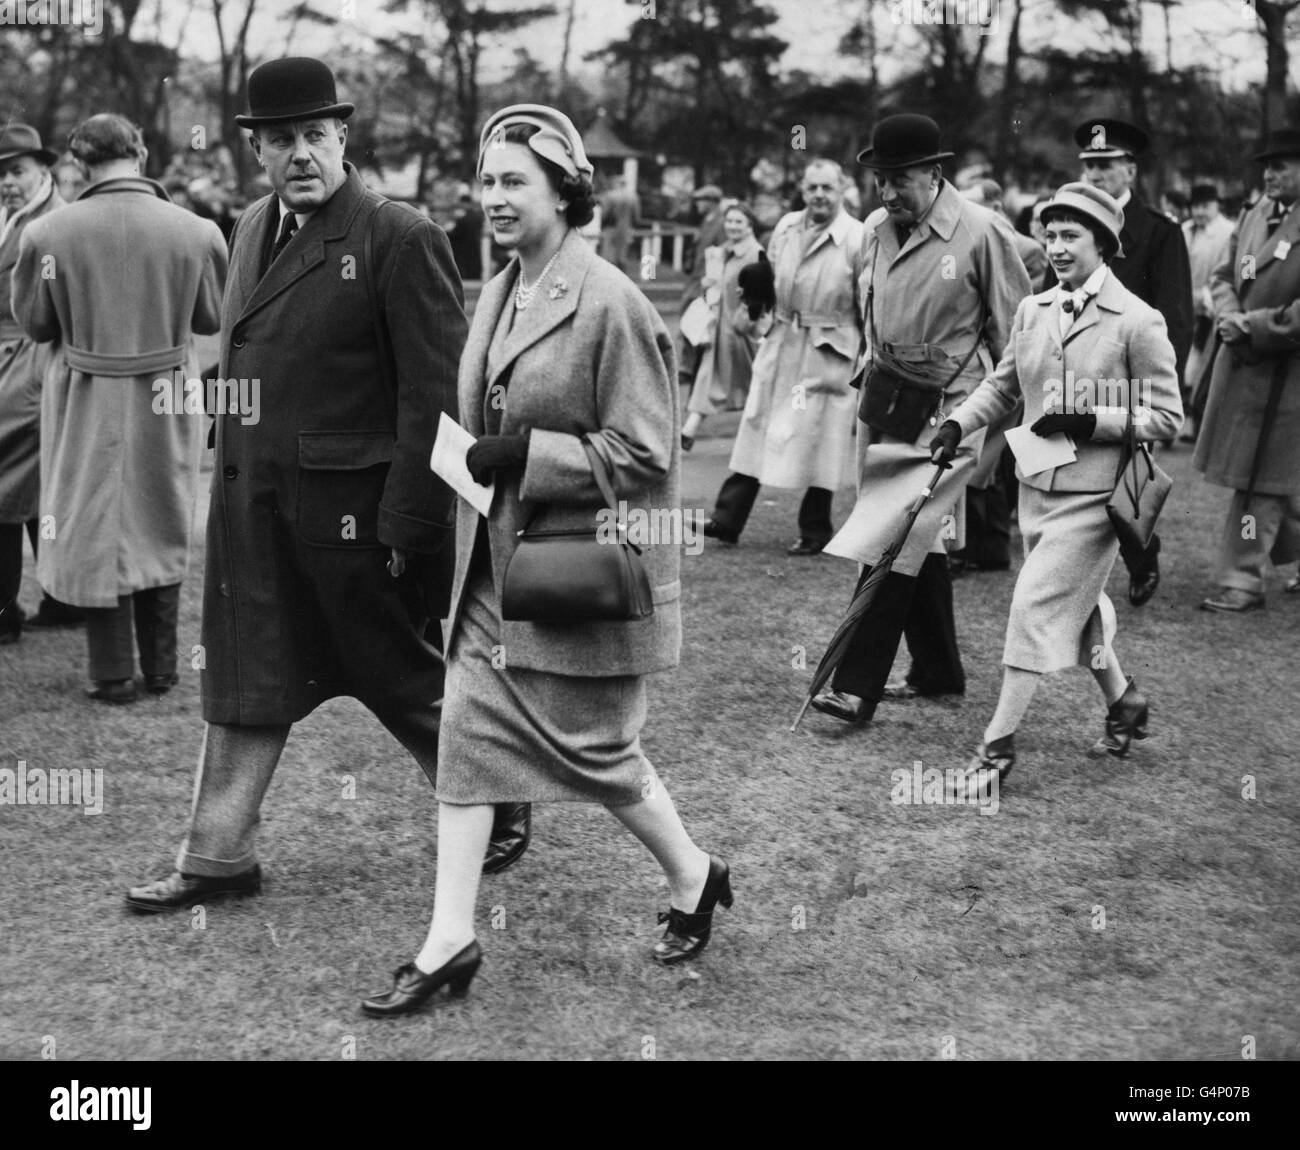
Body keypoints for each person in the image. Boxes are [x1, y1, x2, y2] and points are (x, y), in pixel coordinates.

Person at [123, 57, 522, 914]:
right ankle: (218, 857)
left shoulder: (398, 235)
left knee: (404, 678)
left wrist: (411, 526)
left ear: (343, 137)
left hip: (357, 526)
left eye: (314, 135)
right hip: (254, 514)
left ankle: (498, 795)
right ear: (256, 150)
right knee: (245, 679)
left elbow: (437, 398)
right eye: (280, 140)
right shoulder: (249, 225)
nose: (299, 153)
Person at [360, 105, 730, 1017]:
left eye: (513, 181)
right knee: (466, 738)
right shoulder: (499, 288)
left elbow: (644, 452)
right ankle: (450, 939)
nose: (493, 198)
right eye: (485, 181)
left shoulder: (611, 301)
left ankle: (693, 872)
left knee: (599, 752)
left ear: (566, 191)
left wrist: (527, 453)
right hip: (496, 570)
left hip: (578, 572)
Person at [932, 183, 1183, 786]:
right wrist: (957, 423)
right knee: (1078, 608)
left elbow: (1168, 417)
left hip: (1098, 498)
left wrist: (1093, 420)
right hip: (1036, 488)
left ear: (1104, 243)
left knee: (1032, 606)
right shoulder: (1032, 309)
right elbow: (1003, 386)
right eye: (1050, 235)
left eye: (1071, 236)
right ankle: (1124, 702)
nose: (1057, 247)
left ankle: (996, 750)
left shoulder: (1138, 322)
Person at [810, 115, 1029, 725]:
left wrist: (996, 420)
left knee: (893, 534)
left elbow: (1016, 337)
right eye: (879, 180)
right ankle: (938, 670)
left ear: (935, 174)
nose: (885, 194)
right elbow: (871, 318)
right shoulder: (876, 230)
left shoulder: (983, 233)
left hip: (952, 409)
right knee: (913, 534)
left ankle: (855, 685)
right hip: (886, 400)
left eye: (898, 181)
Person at [12, 115, 226, 699]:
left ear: (78, 164)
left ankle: (111, 674)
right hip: (167, 392)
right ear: (142, 152)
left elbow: (35, 323)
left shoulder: (47, 234)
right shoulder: (198, 230)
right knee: (163, 515)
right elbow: (210, 319)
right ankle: (161, 668)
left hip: (86, 394)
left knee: (96, 525)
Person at [1047, 118, 1192, 607]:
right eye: (1089, 165)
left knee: (1125, 477)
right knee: (1074, 472)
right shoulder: (1074, 224)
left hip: (1130, 374)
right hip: (1077, 370)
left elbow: (1174, 314)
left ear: (1130, 169)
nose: (1095, 175)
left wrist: (1159, 385)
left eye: (1106, 165)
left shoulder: (1159, 231)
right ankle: (1078, 566)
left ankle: (1141, 553)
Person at [701, 159, 862, 554]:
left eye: (827, 187)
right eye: (812, 188)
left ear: (842, 189)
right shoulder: (787, 227)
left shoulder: (857, 238)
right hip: (782, 338)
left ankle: (815, 529)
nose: (819, 196)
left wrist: (865, 355)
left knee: (821, 437)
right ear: (802, 190)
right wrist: (757, 308)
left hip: (828, 346)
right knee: (756, 425)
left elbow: (867, 303)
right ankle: (727, 518)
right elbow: (769, 278)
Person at [1195, 128, 1300, 612]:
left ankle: (1243, 579)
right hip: (1245, 367)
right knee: (1273, 479)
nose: (1269, 173)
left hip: (1288, 377)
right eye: (1267, 165)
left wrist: (1255, 326)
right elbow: (1223, 275)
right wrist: (1230, 314)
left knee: (1261, 479)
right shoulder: (1257, 214)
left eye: (1281, 164)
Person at [0, 124, 72, 644]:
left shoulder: (57, 221)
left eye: (17, 170)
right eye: (2, 172)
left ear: (43, 170)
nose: (8, 181)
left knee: (9, 482)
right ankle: (63, 599)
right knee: (34, 484)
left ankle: (6, 615)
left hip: (33, 356)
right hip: (12, 357)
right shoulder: (13, 217)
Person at [680, 201, 764, 448]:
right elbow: (717, 286)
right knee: (708, 379)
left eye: (739, 222)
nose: (733, 226)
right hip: (718, 329)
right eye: (729, 221)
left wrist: (745, 324)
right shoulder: (722, 251)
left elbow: (759, 296)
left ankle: (761, 437)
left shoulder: (755, 254)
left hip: (742, 333)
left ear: (750, 226)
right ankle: (689, 430)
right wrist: (709, 284)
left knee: (756, 386)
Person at [1181, 183, 1234, 442]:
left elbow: (1228, 271)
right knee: (1183, 362)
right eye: (1195, 207)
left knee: (1204, 368)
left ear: (1217, 206)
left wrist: (1208, 299)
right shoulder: (1185, 230)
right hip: (1185, 302)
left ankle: (1201, 427)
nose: (1199, 212)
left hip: (1211, 305)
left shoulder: (1228, 232)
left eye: (1205, 206)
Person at [676, 184, 726, 386]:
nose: (697, 205)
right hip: (695, 280)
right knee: (689, 321)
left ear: (712, 202)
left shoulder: (721, 223)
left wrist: (712, 284)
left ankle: (690, 368)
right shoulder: (707, 222)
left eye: (701, 201)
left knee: (696, 322)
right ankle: (689, 366)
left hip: (707, 283)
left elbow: (720, 255)